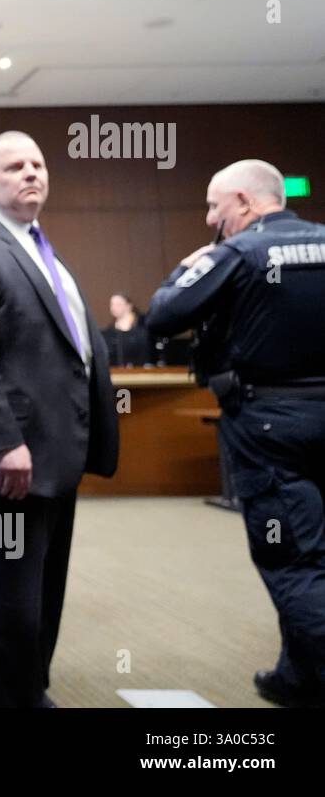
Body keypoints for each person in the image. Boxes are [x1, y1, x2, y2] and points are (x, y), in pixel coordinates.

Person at [0, 131, 119, 707]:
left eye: (38, 164)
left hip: (57, 452)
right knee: (10, 601)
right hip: (10, 460)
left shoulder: (38, 245)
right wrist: (5, 442)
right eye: (15, 166)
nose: (32, 173)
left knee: (44, 591)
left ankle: (31, 691)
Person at [147, 158, 325, 708]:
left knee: (292, 558)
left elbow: (163, 314)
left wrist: (187, 266)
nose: (210, 217)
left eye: (214, 206)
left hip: (270, 426)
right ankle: (297, 676)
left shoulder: (238, 253)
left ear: (245, 203)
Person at [102, 293, 154, 366]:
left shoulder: (142, 329)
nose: (113, 308)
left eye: (118, 304)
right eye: (112, 304)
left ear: (128, 306)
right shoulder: (109, 332)